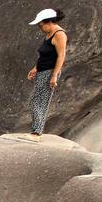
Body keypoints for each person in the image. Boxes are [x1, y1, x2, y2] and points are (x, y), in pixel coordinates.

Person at [25, 8, 68, 140]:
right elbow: (45, 55)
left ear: (49, 22)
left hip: (50, 72)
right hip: (42, 71)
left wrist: (54, 75)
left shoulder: (59, 34)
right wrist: (35, 68)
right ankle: (35, 130)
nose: (40, 28)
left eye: (41, 25)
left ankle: (36, 132)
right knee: (36, 101)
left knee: (39, 102)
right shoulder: (49, 33)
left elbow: (61, 56)